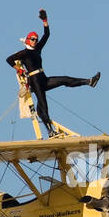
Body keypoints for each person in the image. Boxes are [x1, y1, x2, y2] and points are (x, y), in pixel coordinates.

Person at [5, 9, 100, 137]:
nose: (35, 41)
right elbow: (9, 59)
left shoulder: (37, 49)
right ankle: (50, 131)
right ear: (27, 40)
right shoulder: (24, 53)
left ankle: (89, 82)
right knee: (44, 105)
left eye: (36, 39)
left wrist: (45, 21)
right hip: (35, 81)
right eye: (32, 39)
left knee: (64, 79)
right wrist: (19, 69)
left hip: (43, 79)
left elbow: (47, 34)